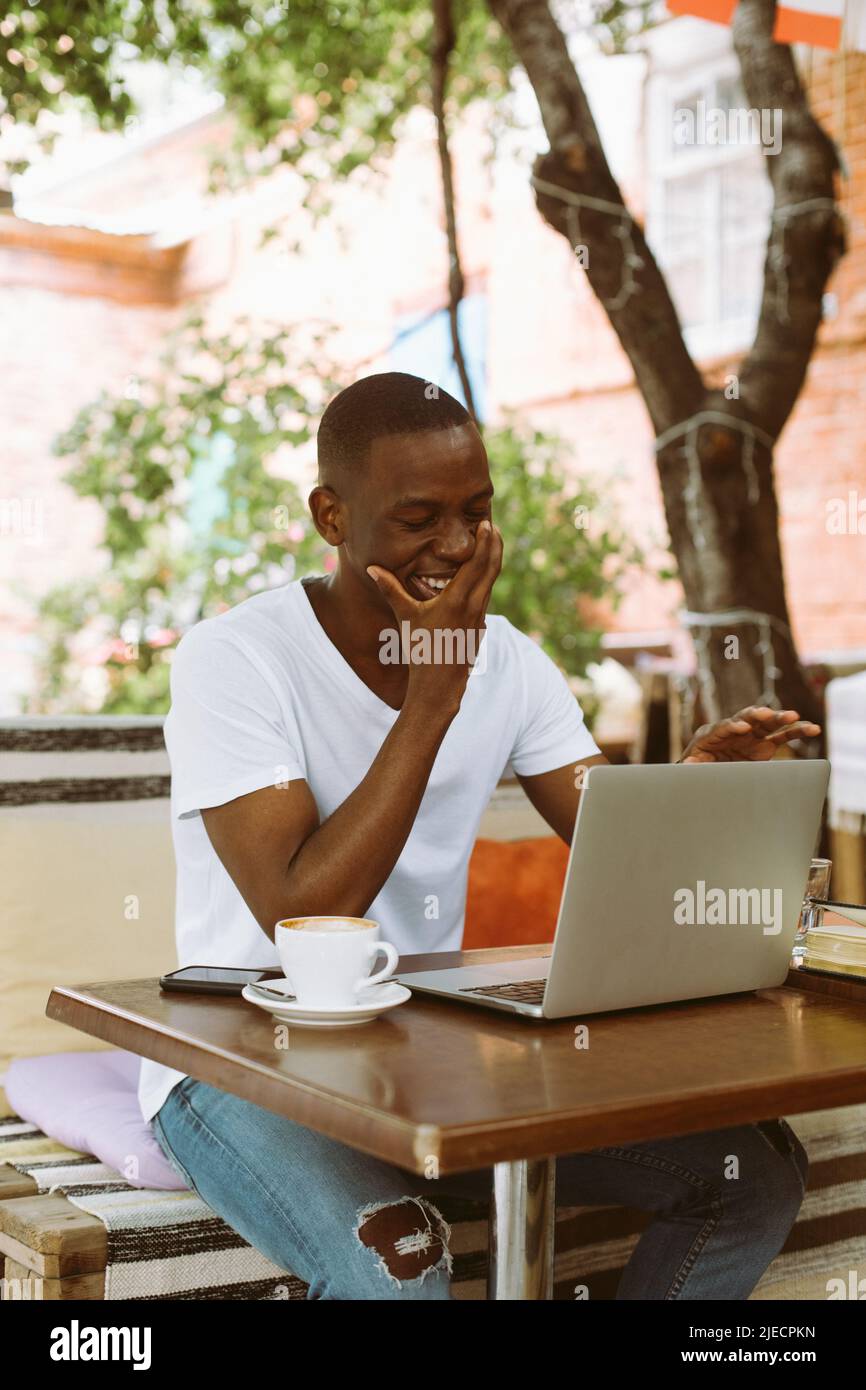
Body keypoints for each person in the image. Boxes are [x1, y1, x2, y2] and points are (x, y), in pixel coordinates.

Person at [140, 372, 818, 1300]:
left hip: (423, 1057)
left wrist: (687, 795)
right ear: (332, 516)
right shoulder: (235, 659)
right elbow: (300, 912)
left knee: (755, 1173)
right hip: (239, 1061)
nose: (457, 547)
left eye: (477, 512)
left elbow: (614, 836)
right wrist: (431, 699)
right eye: (419, 517)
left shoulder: (510, 661)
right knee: (403, 1262)